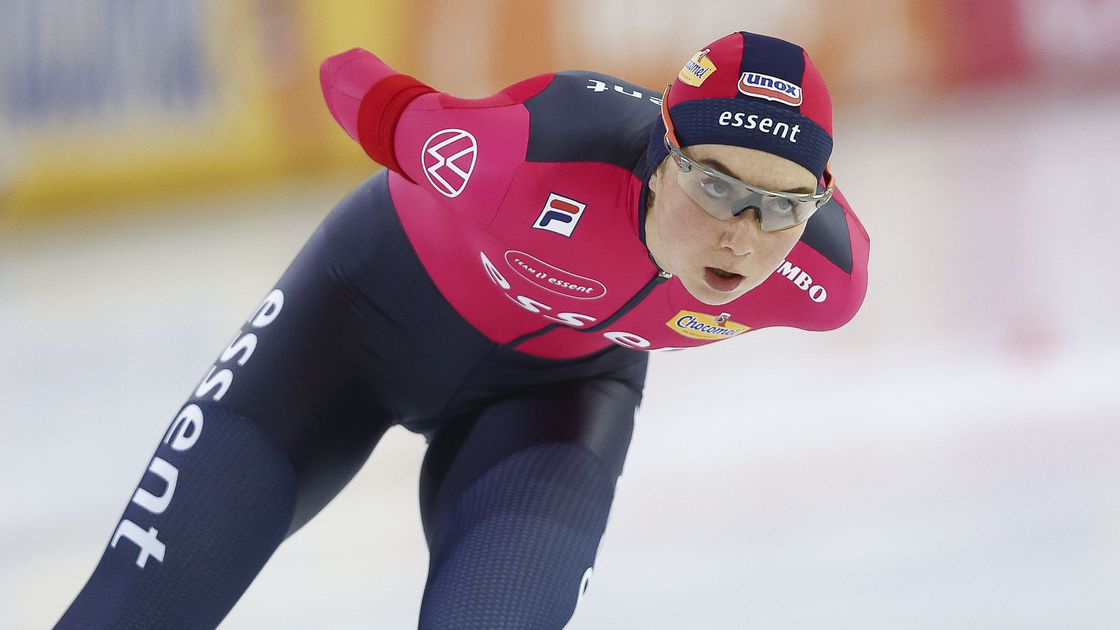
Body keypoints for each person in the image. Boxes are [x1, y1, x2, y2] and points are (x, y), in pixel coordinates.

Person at [56, 30, 868, 629]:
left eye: (785, 207)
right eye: (719, 188)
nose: (745, 235)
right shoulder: (528, 155)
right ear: (664, 152)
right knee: (133, 613)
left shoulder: (825, 281)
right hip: (355, 323)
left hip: (556, 399)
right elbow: (356, 83)